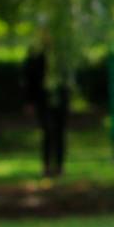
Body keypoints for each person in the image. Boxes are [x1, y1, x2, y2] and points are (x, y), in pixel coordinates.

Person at [22, 48, 69, 178]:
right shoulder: (35, 53)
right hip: (42, 99)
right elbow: (29, 77)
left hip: (60, 99)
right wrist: (30, 101)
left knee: (59, 132)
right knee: (47, 132)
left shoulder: (62, 52)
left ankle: (59, 166)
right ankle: (46, 166)